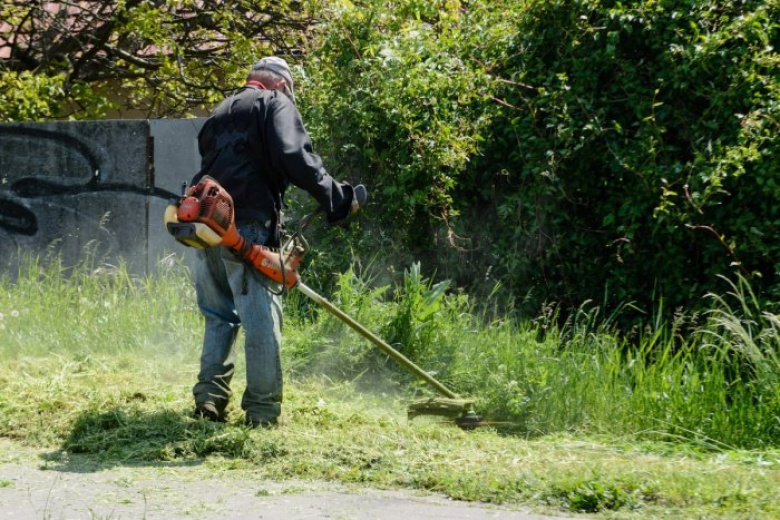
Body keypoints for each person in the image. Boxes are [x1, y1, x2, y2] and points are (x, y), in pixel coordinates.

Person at [190, 56, 364, 428]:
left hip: (207, 227)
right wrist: (338, 199)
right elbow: (295, 157)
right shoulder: (275, 103)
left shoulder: (220, 111)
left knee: (219, 317)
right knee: (261, 322)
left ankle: (209, 399)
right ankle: (263, 412)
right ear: (282, 85)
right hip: (248, 226)